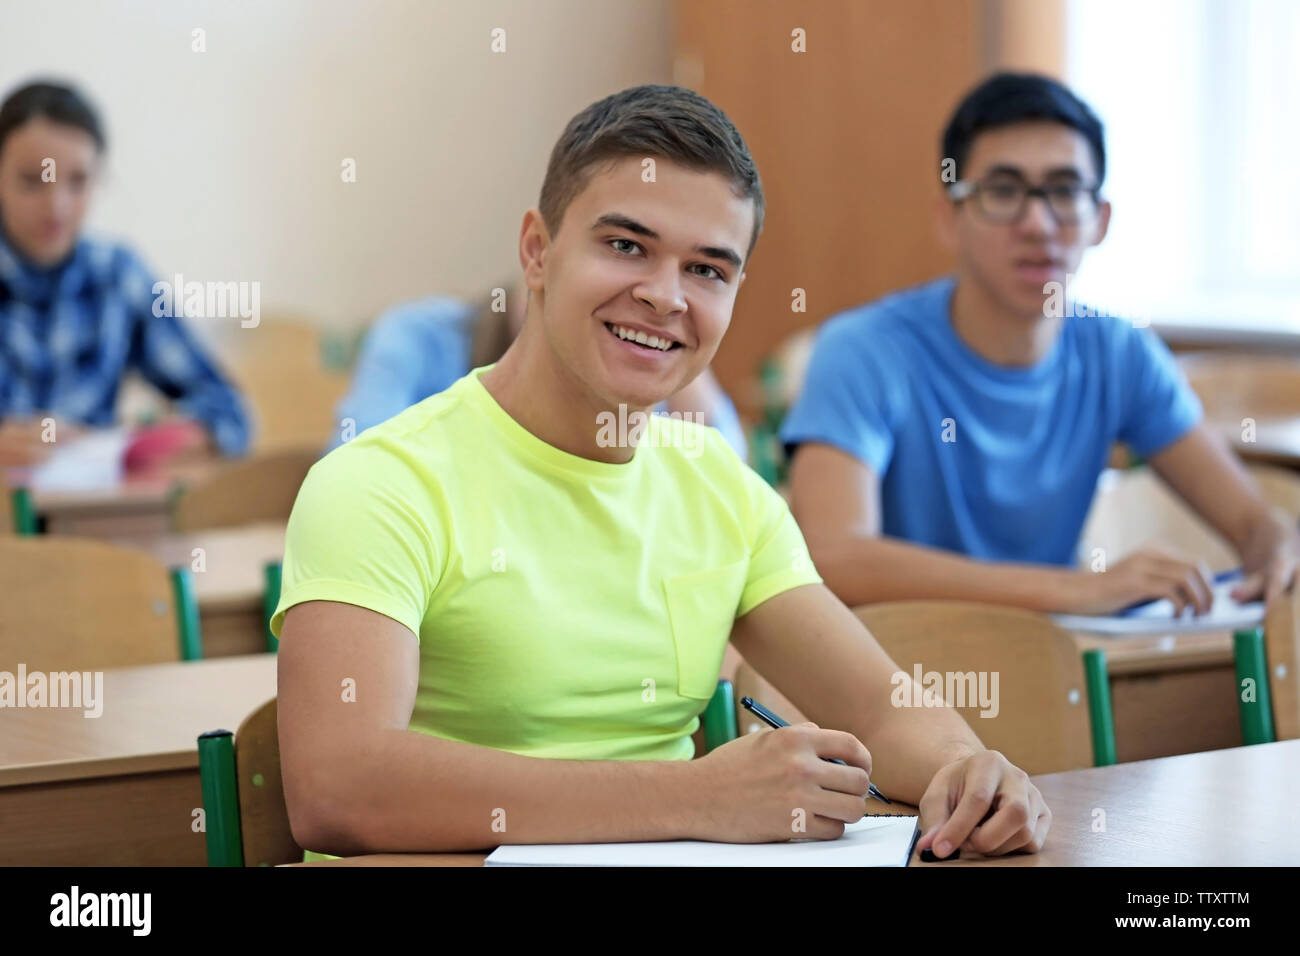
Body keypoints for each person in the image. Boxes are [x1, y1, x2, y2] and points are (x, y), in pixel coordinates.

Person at [273, 84, 1047, 861]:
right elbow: (338, 787)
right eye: (626, 246)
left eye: (709, 269)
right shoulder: (379, 483)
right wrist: (701, 796)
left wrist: (963, 767)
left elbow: (883, 709)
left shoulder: (723, 489)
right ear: (538, 251)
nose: (665, 296)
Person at [781, 72, 1300, 616]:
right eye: (1003, 192)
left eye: (1064, 191)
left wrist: (1271, 540)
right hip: (898, 668)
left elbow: (1250, 520)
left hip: (1058, 666)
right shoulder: (864, 350)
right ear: (950, 218)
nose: (1037, 223)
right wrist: (1074, 589)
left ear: (1099, 220)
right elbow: (832, 556)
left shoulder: (1120, 353)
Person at [0, 81, 249, 467]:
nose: (57, 207)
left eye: (78, 181)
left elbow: (229, 413)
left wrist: (145, 442)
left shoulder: (118, 276)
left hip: (90, 517)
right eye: (33, 181)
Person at [330, 278, 748, 457]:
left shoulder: (617, 360)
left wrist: (683, 349)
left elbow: (729, 477)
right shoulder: (419, 335)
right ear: (537, 255)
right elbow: (351, 458)